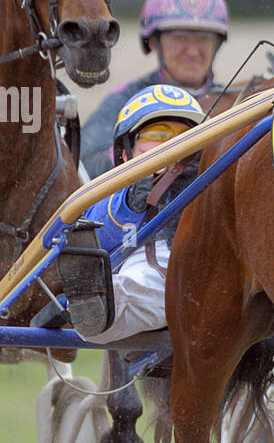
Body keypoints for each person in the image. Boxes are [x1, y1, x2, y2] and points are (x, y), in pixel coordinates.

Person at [56, 85, 204, 342]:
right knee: (127, 286)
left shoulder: (208, 183)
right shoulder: (112, 195)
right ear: (125, 152)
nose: (172, 142)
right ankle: (96, 307)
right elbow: (90, 236)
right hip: (132, 273)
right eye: (158, 134)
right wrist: (128, 204)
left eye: (185, 135)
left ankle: (101, 305)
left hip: (191, 271)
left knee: (135, 287)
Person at [80, 0, 228, 178]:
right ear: (153, 43)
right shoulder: (127, 99)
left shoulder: (236, 103)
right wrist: (139, 151)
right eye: (180, 38)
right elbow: (87, 162)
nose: (193, 51)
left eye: (203, 39)